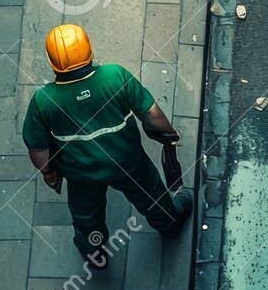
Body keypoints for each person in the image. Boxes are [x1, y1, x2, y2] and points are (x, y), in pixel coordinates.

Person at [23, 24, 192, 264]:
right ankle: (169, 224)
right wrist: (169, 135)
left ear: (53, 64)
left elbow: (38, 150)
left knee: (87, 217)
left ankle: (94, 253)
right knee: (152, 196)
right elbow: (152, 115)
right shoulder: (115, 76)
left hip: (81, 175)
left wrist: (49, 172)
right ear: (90, 52)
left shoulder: (44, 101)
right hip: (129, 163)